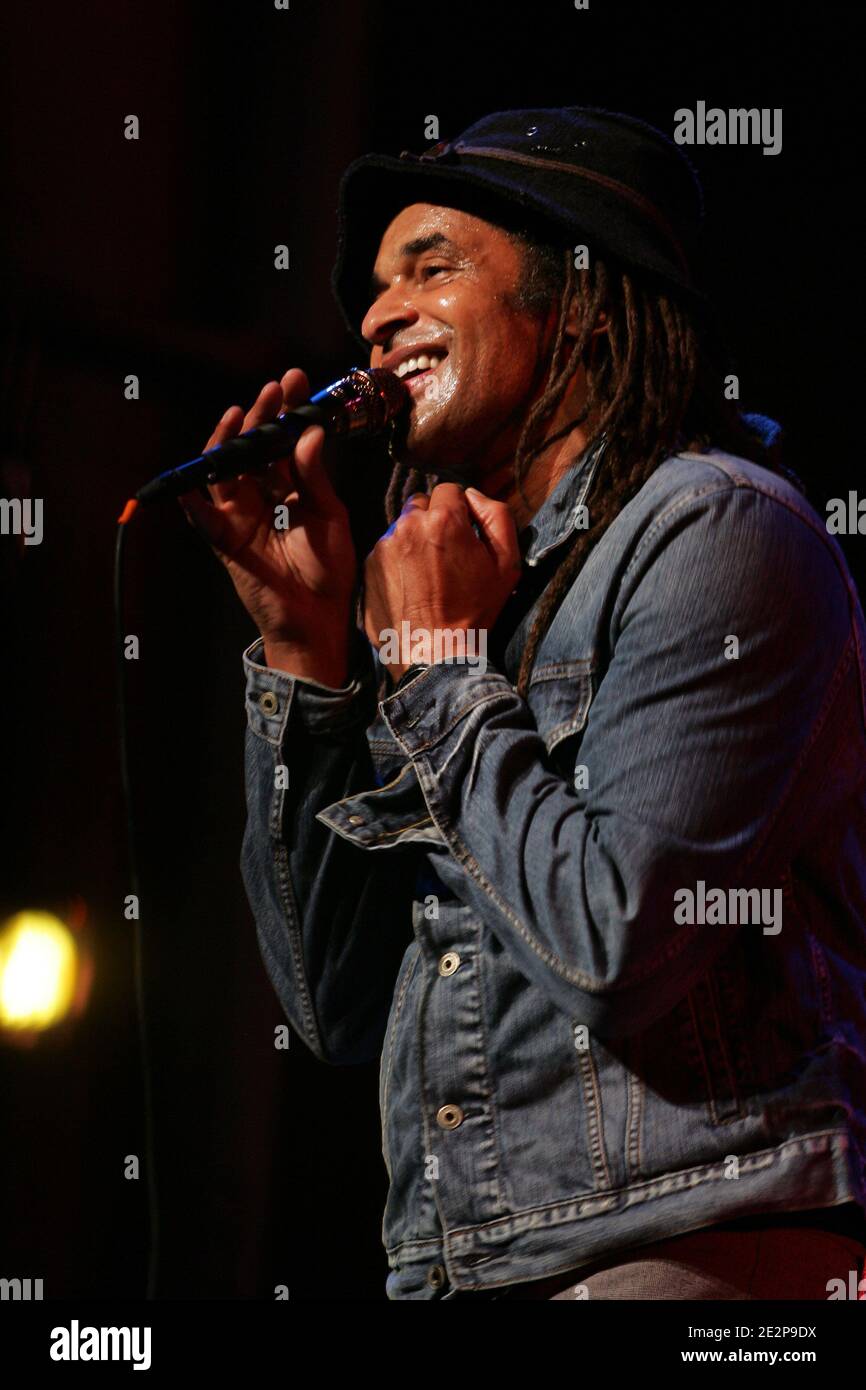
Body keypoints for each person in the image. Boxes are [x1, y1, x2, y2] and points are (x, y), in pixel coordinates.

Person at [180, 107, 866, 1300]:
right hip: (481, 1265)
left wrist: (441, 663)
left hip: (681, 1253)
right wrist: (305, 656)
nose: (377, 315)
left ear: (582, 301)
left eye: (430, 267)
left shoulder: (714, 526)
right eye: (373, 288)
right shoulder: (476, 589)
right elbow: (330, 1001)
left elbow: (614, 943)